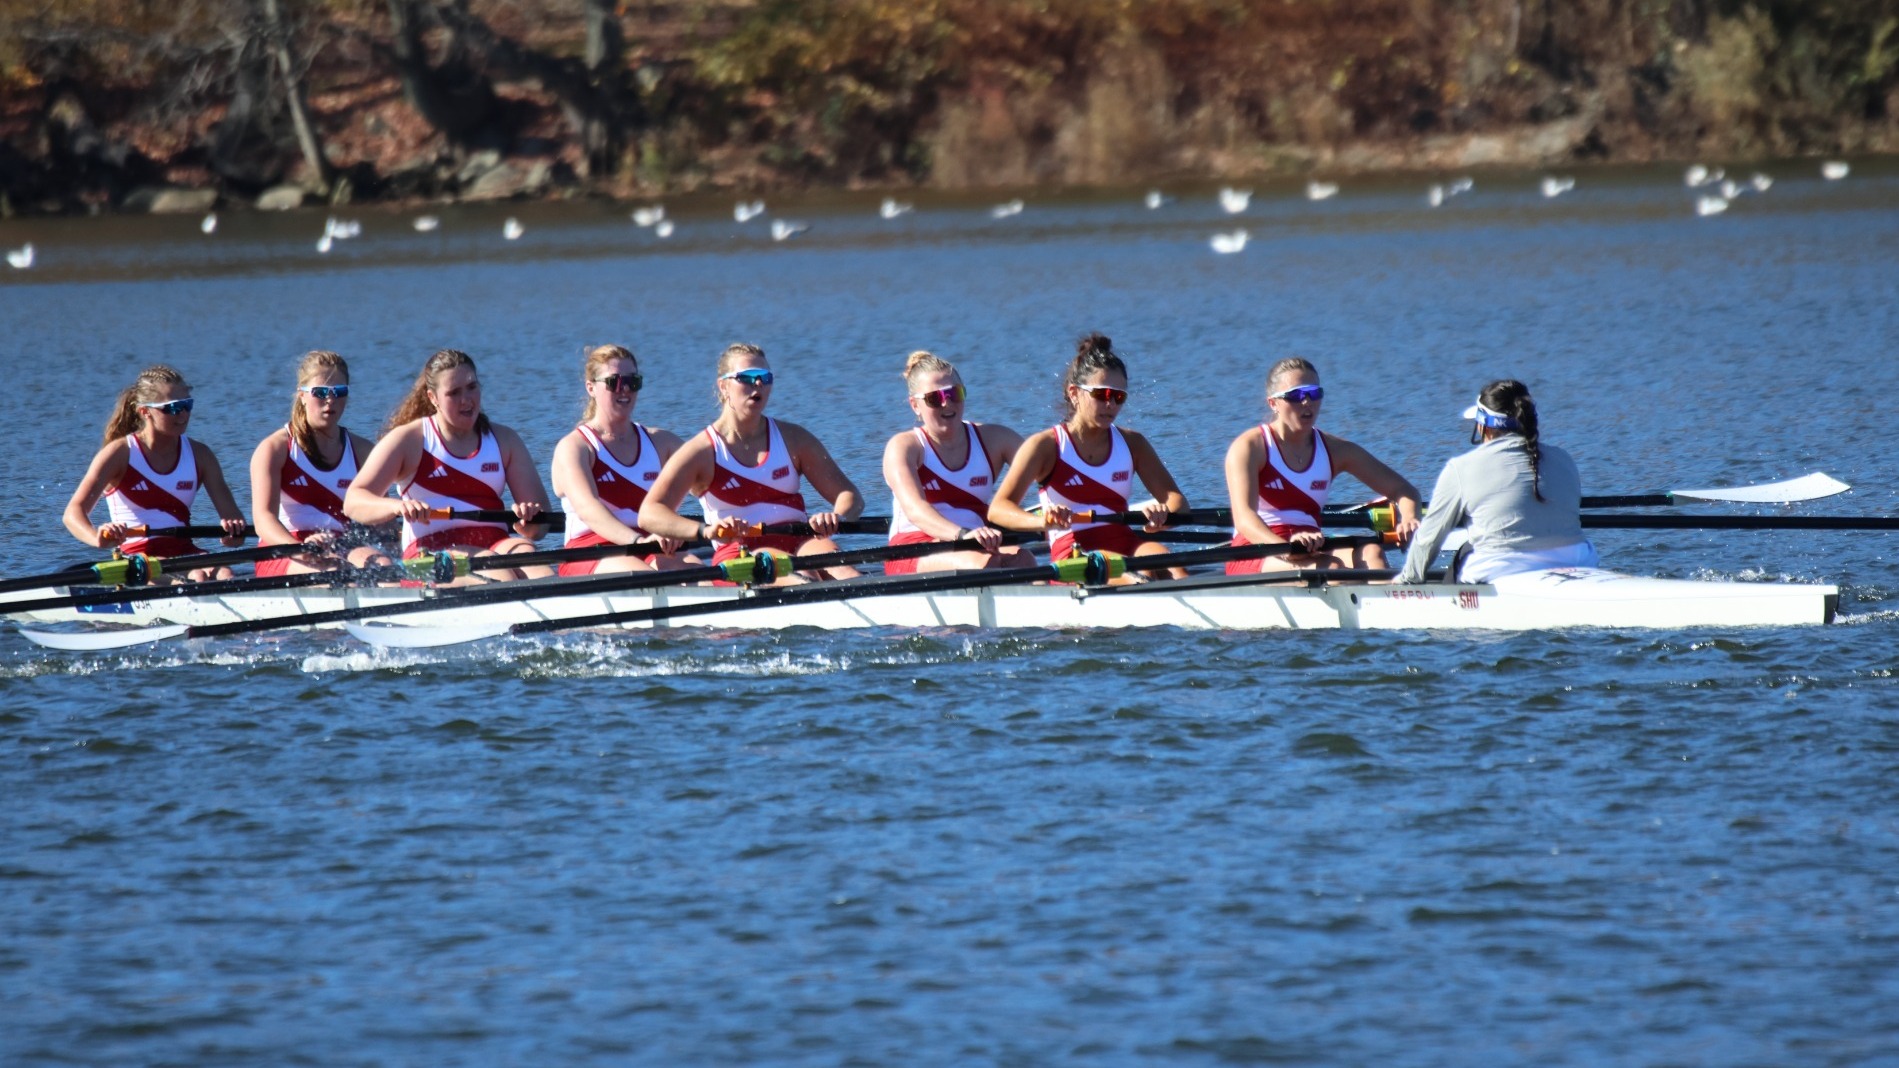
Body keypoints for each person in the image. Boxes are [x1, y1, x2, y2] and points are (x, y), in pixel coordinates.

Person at [639, 343, 864, 584]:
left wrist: (836, 517)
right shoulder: (701, 451)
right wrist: (704, 531)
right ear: (723, 386)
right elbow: (649, 514)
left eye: (765, 378)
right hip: (741, 553)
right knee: (802, 577)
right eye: (746, 378)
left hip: (802, 540)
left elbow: (850, 496)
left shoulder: (794, 438)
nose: (758, 385)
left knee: (845, 571)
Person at [987, 333, 1189, 582]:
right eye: (1101, 395)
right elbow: (998, 510)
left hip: (1124, 539)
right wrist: (1042, 522)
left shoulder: (1133, 443)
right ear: (1074, 393)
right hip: (1073, 551)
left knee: (1172, 566)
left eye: (1118, 397)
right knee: (1136, 575)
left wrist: (1162, 516)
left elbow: (1178, 501)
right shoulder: (1046, 446)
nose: (1110, 404)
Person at [343, 349, 552, 583]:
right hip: (430, 553)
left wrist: (529, 522)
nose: (466, 400)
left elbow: (540, 528)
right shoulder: (409, 441)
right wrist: (396, 507)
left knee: (532, 560)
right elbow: (353, 502)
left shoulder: (505, 440)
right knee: (498, 572)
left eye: (472, 387)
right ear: (433, 398)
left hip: (496, 542)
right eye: (454, 393)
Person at [1224, 357, 1422, 574]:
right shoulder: (1250, 447)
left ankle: (1389, 603)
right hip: (1257, 550)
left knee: (1371, 552)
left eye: (1314, 394)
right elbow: (1244, 519)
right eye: (1296, 396)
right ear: (1273, 403)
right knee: (1330, 568)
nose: (1307, 402)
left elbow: (1404, 490)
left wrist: (1410, 518)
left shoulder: (1336, 450)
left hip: (1312, 546)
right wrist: (1286, 549)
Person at [1398, 379, 1598, 584]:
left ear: (1483, 426)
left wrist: (1408, 581)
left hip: (1501, 567)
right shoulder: (1564, 459)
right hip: (1580, 559)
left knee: (1465, 551)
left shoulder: (1461, 468)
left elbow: (1428, 538)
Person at [62, 364, 248, 581]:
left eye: (187, 405)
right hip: (136, 557)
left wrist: (234, 533)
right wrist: (98, 537)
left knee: (225, 573)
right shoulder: (119, 454)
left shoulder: (201, 455)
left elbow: (234, 520)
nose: (183, 414)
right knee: (196, 576)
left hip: (183, 549)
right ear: (145, 411)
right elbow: (72, 513)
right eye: (172, 408)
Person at [881, 350, 1033, 575]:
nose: (947, 404)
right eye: (935, 398)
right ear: (915, 405)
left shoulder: (995, 439)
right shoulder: (904, 447)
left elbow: (1050, 472)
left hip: (977, 543)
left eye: (954, 393)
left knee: (1025, 560)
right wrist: (963, 535)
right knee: (983, 564)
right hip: (914, 548)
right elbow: (916, 510)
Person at [548, 344, 692, 576]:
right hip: (589, 550)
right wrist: (636, 540)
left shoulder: (662, 442)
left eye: (632, 382)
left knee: (698, 573)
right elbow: (588, 509)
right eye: (614, 381)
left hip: (650, 543)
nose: (624, 389)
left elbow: (712, 477)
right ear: (591, 387)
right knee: (648, 576)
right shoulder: (575, 447)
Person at [249, 351, 393, 577]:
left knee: (383, 565)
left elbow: (382, 520)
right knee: (334, 569)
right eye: (321, 392)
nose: (330, 400)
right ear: (302, 395)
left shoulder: (363, 451)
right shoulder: (274, 449)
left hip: (339, 544)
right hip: (285, 547)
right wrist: (299, 549)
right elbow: (263, 520)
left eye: (339, 392)